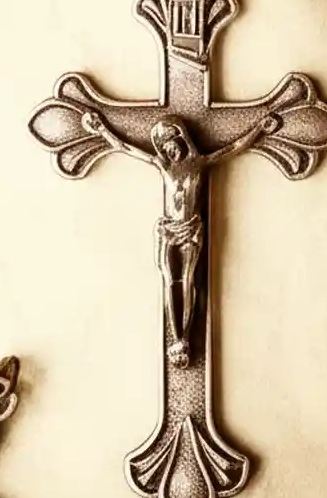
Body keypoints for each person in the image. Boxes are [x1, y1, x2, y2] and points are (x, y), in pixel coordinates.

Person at [81, 111, 281, 367]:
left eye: (172, 144)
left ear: (182, 139)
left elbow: (234, 147)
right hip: (168, 230)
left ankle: (183, 338)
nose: (169, 151)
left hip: (190, 228)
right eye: (164, 147)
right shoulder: (163, 165)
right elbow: (126, 148)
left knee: (188, 279)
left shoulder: (199, 163)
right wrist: (101, 130)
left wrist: (260, 129)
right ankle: (174, 337)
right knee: (168, 280)